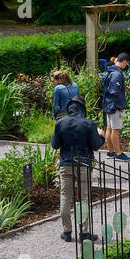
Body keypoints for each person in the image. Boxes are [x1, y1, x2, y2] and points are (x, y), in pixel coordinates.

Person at [50, 96, 103, 242]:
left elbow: (54, 144)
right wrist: (101, 136)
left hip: (66, 163)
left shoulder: (60, 123)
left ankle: (67, 232)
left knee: (65, 197)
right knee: (84, 197)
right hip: (83, 164)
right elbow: (96, 145)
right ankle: (84, 232)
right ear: (83, 108)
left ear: (69, 108)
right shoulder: (88, 124)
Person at [100, 52, 130, 160]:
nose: (125, 66)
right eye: (126, 64)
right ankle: (118, 154)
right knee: (116, 130)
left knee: (109, 128)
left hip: (108, 104)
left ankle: (110, 152)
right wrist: (121, 106)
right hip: (115, 105)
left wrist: (123, 87)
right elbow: (115, 92)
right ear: (124, 62)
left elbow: (107, 87)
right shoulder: (118, 74)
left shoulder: (109, 71)